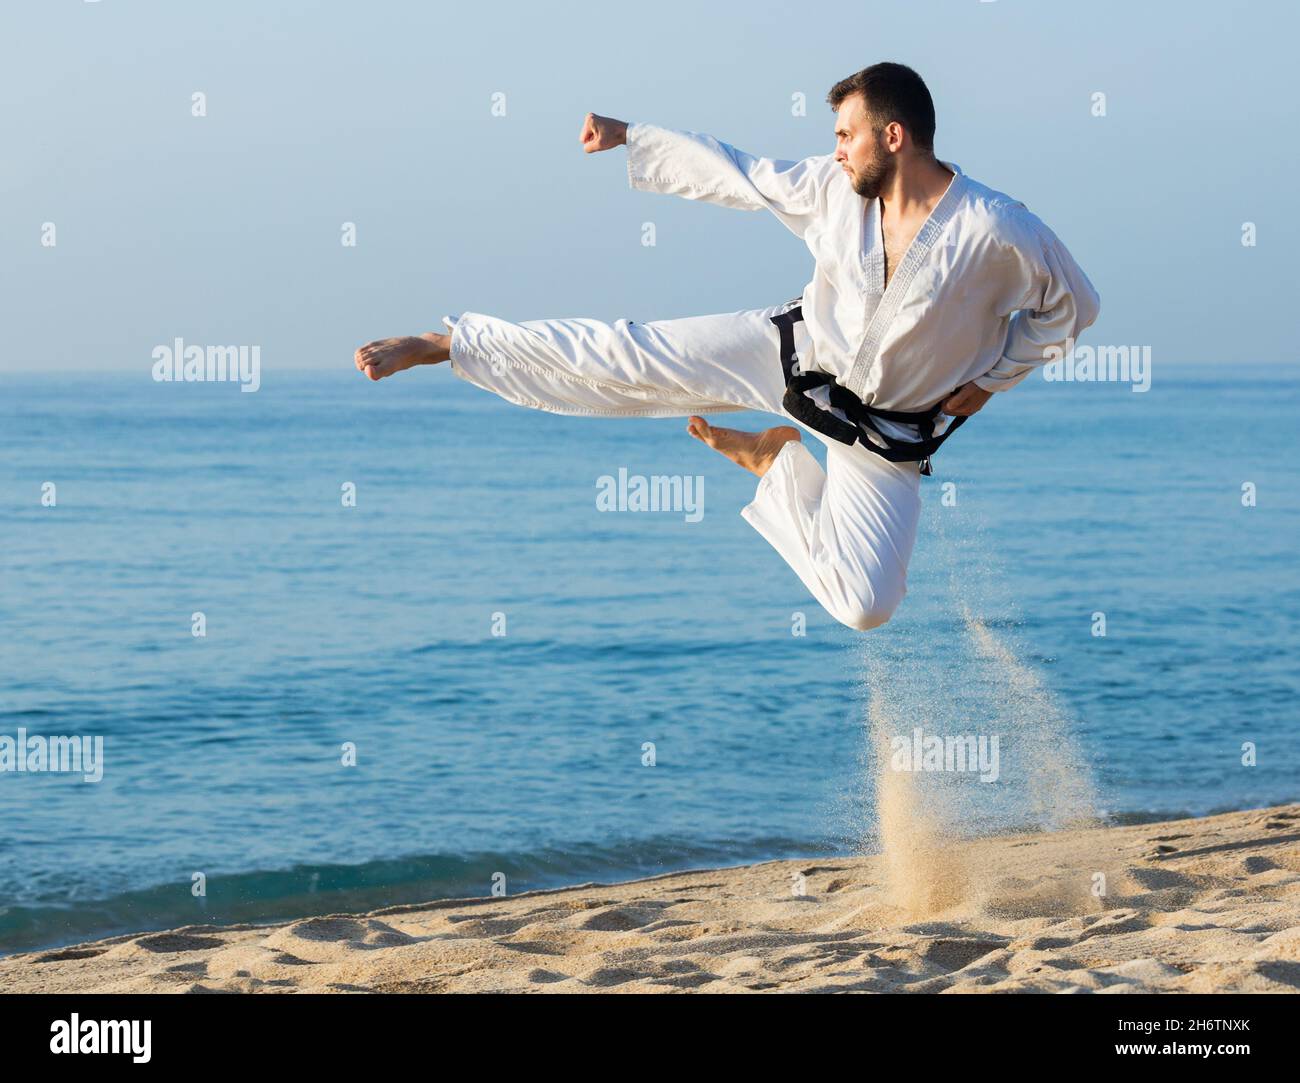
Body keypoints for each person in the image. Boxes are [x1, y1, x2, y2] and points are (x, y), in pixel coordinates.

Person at [353, 63, 1100, 631]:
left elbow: (1073, 308)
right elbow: (739, 173)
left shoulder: (997, 228)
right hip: (789, 360)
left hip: (882, 435)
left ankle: (776, 461)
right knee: (629, 355)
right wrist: (634, 138)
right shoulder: (833, 190)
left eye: (847, 134)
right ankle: (451, 342)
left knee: (865, 604)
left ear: (893, 136)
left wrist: (998, 375)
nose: (836, 150)